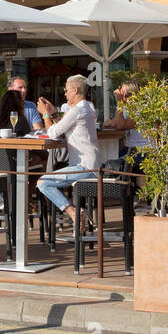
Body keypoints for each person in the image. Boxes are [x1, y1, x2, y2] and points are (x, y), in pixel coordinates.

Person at [35, 75, 99, 229]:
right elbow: (65, 126)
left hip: (85, 167)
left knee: (43, 182)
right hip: (91, 164)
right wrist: (54, 114)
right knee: (45, 182)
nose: (64, 94)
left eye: (66, 90)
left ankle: (74, 213)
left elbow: (52, 133)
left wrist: (45, 114)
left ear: (75, 90)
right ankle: (76, 213)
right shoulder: (87, 107)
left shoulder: (78, 110)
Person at [104, 79, 146, 152]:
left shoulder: (142, 109)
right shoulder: (127, 108)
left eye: (126, 95)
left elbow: (119, 125)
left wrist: (119, 103)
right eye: (120, 95)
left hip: (141, 151)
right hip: (129, 148)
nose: (123, 98)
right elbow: (115, 124)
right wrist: (112, 122)